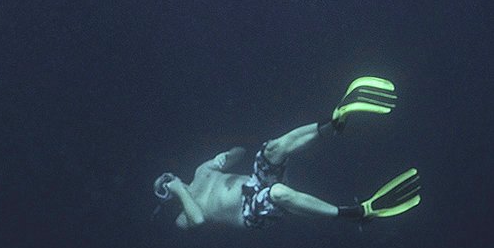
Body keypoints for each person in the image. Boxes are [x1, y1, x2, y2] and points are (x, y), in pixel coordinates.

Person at [153, 77, 421, 229]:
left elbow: (241, 151)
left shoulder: (201, 170)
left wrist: (228, 156)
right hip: (249, 211)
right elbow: (199, 221)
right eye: (162, 188)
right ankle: (355, 212)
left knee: (272, 147)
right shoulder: (183, 217)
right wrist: (179, 191)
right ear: (165, 200)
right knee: (277, 193)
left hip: (255, 181)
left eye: (166, 179)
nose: (167, 183)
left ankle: (334, 124)